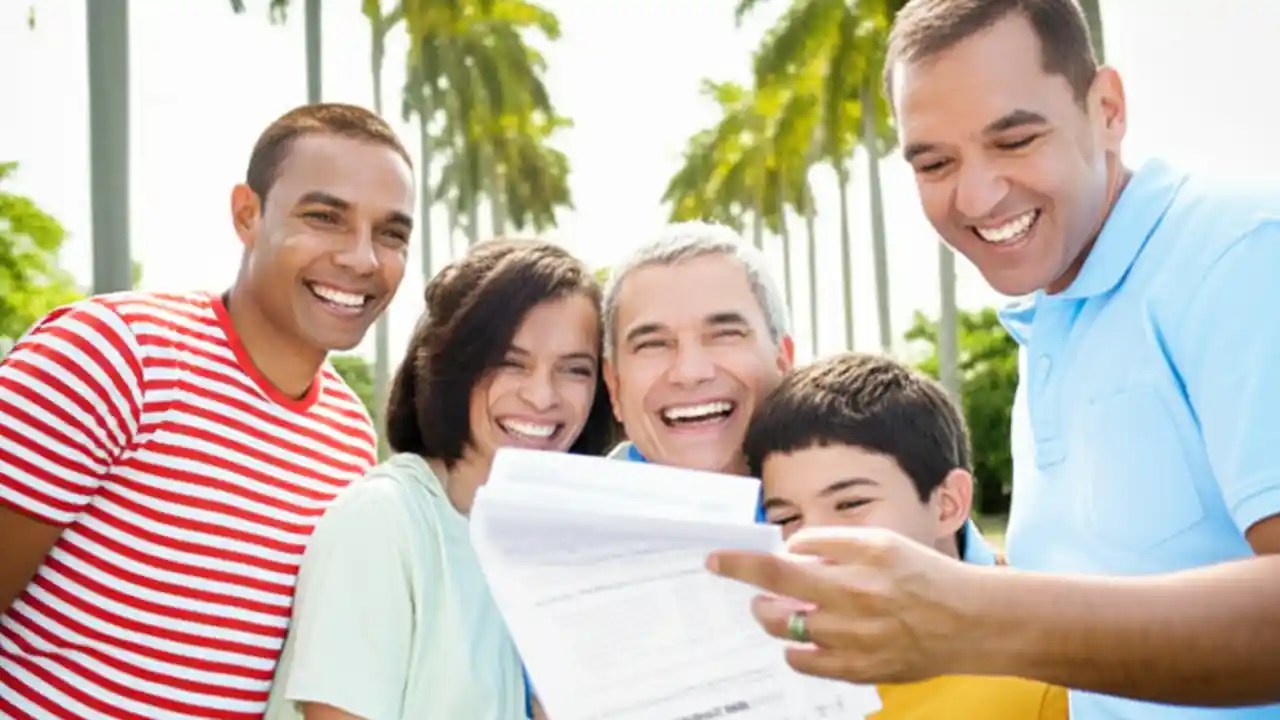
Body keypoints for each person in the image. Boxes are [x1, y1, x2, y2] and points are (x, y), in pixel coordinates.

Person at [706, 0, 1280, 716]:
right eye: (936, 162)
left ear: (1106, 107)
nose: (975, 195)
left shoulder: (1244, 254)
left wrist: (972, 615)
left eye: (1014, 141)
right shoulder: (1053, 323)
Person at [0, 103, 414, 719]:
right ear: (248, 215)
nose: (362, 258)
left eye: (391, 233)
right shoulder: (116, 355)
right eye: (325, 217)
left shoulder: (348, 439)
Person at [263, 239, 616, 720]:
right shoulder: (385, 522)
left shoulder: (564, 549)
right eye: (510, 363)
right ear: (454, 363)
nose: (541, 396)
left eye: (574, 370)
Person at [746, 352, 1068, 720]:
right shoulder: (778, 678)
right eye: (786, 517)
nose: (810, 540)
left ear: (947, 504)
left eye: (851, 503)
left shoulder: (1050, 677)